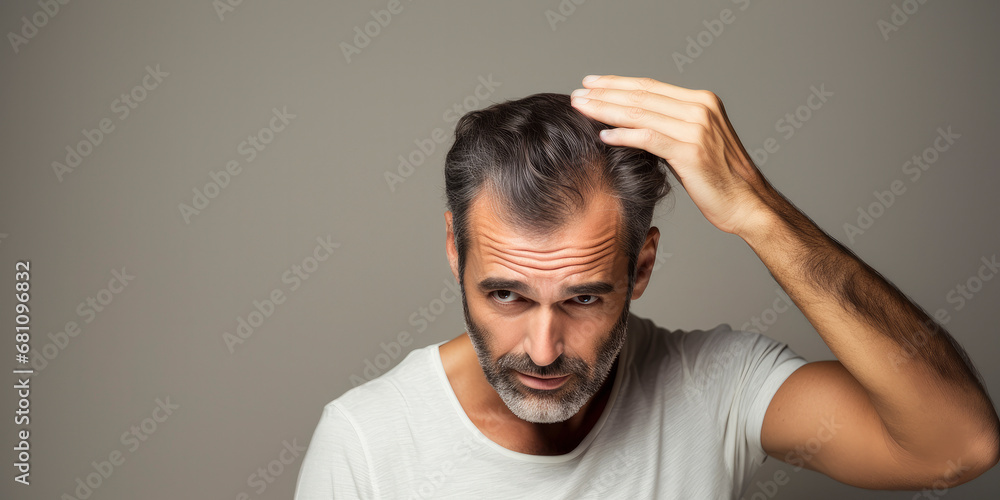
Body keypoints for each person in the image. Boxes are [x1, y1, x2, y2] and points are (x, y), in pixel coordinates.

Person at [293, 75, 1000, 499]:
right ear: (456, 250)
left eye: (583, 298)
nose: (542, 351)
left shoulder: (716, 387)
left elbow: (956, 446)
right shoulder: (366, 441)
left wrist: (760, 213)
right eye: (506, 295)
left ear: (642, 267)